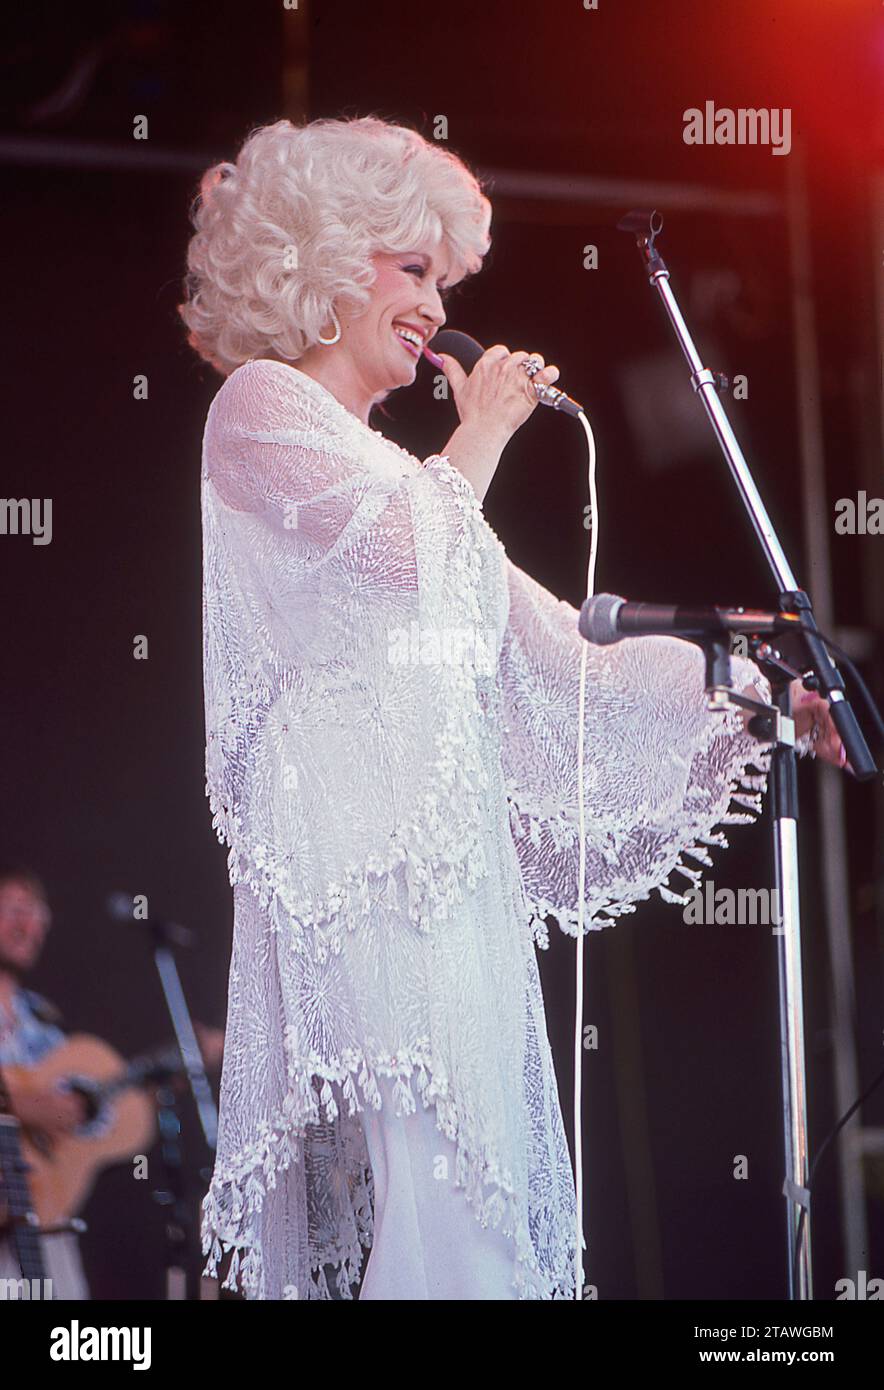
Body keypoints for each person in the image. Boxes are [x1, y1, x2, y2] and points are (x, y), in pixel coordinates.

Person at [180, 116, 846, 1301]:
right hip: (360, 865)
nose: (435, 303)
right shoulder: (260, 410)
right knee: (448, 1209)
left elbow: (560, 644)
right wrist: (481, 429)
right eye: (412, 268)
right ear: (320, 256)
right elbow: (401, 552)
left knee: (469, 1202)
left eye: (442, 277)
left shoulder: (396, 469)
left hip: (448, 874)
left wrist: (756, 687)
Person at [0, 868, 90, 1299]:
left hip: (43, 1220)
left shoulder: (44, 1018)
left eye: (39, 916)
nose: (30, 926)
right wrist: (21, 1103)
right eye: (16, 911)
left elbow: (76, 1111)